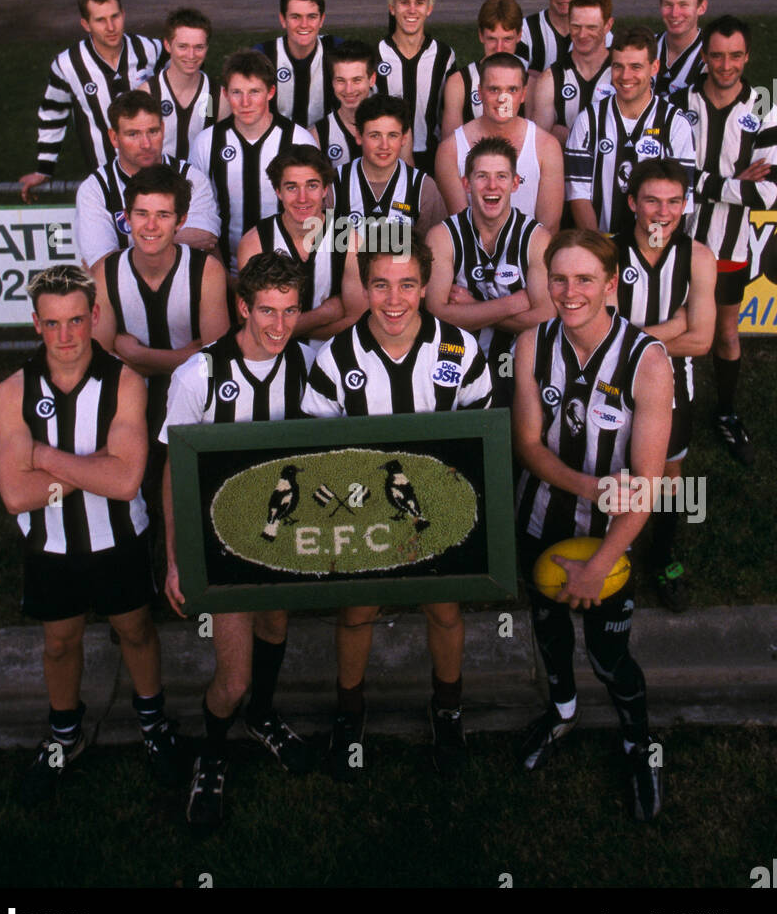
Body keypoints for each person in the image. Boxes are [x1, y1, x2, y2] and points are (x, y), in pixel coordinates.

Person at [302, 239, 493, 779]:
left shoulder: (459, 348)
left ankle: (448, 709)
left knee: (443, 609)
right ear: (364, 288)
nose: (393, 298)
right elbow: (319, 459)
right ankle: (350, 712)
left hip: (437, 513)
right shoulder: (335, 358)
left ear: (426, 287)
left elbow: (481, 437)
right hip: (362, 516)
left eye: (407, 284)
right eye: (381, 284)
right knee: (358, 611)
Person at [0, 264, 181, 804]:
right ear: (35, 324)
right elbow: (15, 496)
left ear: (94, 315)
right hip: (50, 546)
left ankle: (153, 725)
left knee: (137, 631)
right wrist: (92, 468)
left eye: (76, 320)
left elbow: (125, 483)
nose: (66, 336)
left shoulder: (126, 381)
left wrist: (48, 459)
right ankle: (63, 736)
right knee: (59, 642)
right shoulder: (12, 392)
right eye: (52, 324)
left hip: (118, 539)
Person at [512, 230, 672, 821]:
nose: (570, 291)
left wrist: (600, 565)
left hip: (612, 540)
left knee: (610, 655)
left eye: (585, 280)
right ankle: (561, 711)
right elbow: (528, 445)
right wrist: (588, 486)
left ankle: (638, 742)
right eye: (559, 279)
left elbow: (647, 484)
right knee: (550, 633)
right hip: (541, 521)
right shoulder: (532, 343)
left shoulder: (647, 360)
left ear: (611, 285)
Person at [160, 254, 315, 829]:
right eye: (267, 312)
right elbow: (174, 470)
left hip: (279, 531)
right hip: (219, 540)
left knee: (275, 626)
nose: (279, 326)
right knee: (234, 678)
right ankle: (213, 753)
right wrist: (176, 559)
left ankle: (263, 718)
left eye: (291, 311)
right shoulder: (198, 375)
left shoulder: (305, 365)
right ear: (243, 308)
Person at [670, 16, 777, 464]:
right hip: (677, 241)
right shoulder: (678, 102)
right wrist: (731, 180)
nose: (725, 65)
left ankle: (728, 413)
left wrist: (703, 182)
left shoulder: (762, 113)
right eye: (716, 55)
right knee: (674, 325)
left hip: (729, 246)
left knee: (725, 333)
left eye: (735, 56)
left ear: (747, 56)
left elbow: (766, 192)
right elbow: (671, 175)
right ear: (705, 56)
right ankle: (666, 406)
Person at [614, 160, 716, 610]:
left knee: (671, 477)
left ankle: (664, 555)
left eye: (674, 201)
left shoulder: (698, 256)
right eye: (652, 200)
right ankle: (617, 551)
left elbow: (702, 340)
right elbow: (597, 335)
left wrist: (640, 337)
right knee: (615, 470)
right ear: (633, 202)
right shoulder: (606, 252)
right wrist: (674, 324)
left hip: (676, 389)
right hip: (612, 386)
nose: (663, 212)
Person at [93, 164, 229, 473]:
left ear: (181, 221)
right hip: (129, 395)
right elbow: (99, 363)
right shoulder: (106, 272)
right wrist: (183, 355)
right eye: (141, 214)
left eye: (163, 215)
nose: (150, 226)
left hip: (192, 395)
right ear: (126, 218)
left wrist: (136, 355)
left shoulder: (205, 271)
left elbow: (214, 361)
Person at [425, 137, 553, 398]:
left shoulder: (537, 238)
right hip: (456, 359)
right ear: (466, 183)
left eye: (502, 176)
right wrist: (511, 303)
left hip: (519, 361)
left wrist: (472, 308)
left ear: (515, 183)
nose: (492, 186)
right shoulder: (442, 236)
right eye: (482, 176)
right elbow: (437, 312)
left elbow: (544, 317)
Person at [20, 0, 163, 200]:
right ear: (86, 24)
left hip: (157, 174)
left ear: (124, 14)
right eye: (100, 20)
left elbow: (185, 86)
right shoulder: (68, 65)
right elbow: (53, 114)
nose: (111, 27)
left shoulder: (151, 50)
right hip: (106, 180)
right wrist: (44, 169)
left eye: (115, 16)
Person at [189, 49, 315, 275]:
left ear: (270, 92)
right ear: (226, 94)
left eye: (254, 91)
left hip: (288, 271)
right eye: (237, 92)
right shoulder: (207, 142)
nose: (245, 102)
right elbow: (198, 211)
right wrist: (222, 276)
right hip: (224, 269)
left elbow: (314, 208)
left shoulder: (297, 139)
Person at [564, 27, 696, 234]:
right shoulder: (588, 120)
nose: (626, 76)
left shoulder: (675, 124)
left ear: (654, 67)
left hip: (654, 245)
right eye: (618, 66)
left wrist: (651, 250)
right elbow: (578, 193)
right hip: (600, 243)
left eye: (635, 67)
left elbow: (681, 199)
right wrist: (599, 248)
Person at [74, 90, 219, 270]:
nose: (146, 144)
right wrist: (175, 240)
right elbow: (102, 267)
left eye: (153, 131)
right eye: (133, 134)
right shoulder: (95, 189)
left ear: (163, 129)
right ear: (114, 137)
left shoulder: (191, 177)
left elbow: (204, 241)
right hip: (122, 297)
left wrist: (126, 250)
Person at [435, 52, 564, 232]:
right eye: (494, 89)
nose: (503, 99)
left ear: (524, 94)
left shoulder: (546, 146)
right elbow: (462, 228)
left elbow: (549, 227)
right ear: (479, 92)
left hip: (529, 254)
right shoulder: (451, 149)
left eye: (512, 90)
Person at [237, 146, 345, 345]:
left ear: (325, 189)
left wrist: (281, 330)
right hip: (274, 360)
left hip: (335, 357)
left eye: (312, 186)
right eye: (291, 187)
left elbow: (358, 320)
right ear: (278, 192)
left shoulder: (349, 238)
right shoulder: (255, 243)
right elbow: (250, 325)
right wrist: (323, 314)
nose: (302, 198)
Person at [375, 0, 456, 172]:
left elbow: (450, 112)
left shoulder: (444, 56)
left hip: (432, 156)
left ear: (429, 8)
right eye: (404, 2)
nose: (412, 10)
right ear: (392, 8)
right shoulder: (375, 55)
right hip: (387, 159)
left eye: (419, 3)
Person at [334, 95, 447, 238]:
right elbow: (322, 250)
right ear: (359, 136)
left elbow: (434, 251)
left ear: (404, 138)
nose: (384, 145)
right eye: (375, 135)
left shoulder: (423, 188)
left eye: (392, 135)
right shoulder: (335, 183)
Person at [532, 0, 615, 147]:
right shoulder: (551, 79)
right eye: (576, 26)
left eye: (591, 27)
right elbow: (538, 143)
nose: (582, 35)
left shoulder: (623, 72)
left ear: (607, 25)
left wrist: (565, 134)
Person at [253, 0, 338, 127]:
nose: (304, 24)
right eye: (295, 17)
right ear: (283, 20)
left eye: (312, 16)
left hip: (323, 143)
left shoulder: (337, 50)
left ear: (321, 20)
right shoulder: (263, 55)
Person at [440, 0, 529, 135]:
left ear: (519, 36)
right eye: (492, 39)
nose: (499, 48)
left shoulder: (531, 81)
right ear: (481, 36)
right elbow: (451, 144)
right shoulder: (459, 83)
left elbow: (536, 141)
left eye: (507, 39)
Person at [521, 0, 592, 119]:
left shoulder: (597, 31)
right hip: (536, 117)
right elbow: (516, 80)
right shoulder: (525, 29)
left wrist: (541, 77)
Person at [145, 8, 219, 159]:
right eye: (182, 47)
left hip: (201, 181)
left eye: (199, 47)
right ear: (167, 45)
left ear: (207, 48)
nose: (191, 55)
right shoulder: (148, 94)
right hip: (158, 180)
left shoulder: (216, 96)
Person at [312, 39, 382, 166]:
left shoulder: (396, 124)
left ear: (372, 79)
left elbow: (408, 177)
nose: (348, 90)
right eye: (340, 80)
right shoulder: (319, 134)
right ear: (332, 82)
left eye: (357, 80)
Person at [655, 0, 708, 99]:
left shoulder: (712, 58)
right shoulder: (645, 47)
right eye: (668, 5)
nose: (674, 13)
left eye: (683, 5)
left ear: (701, 7)